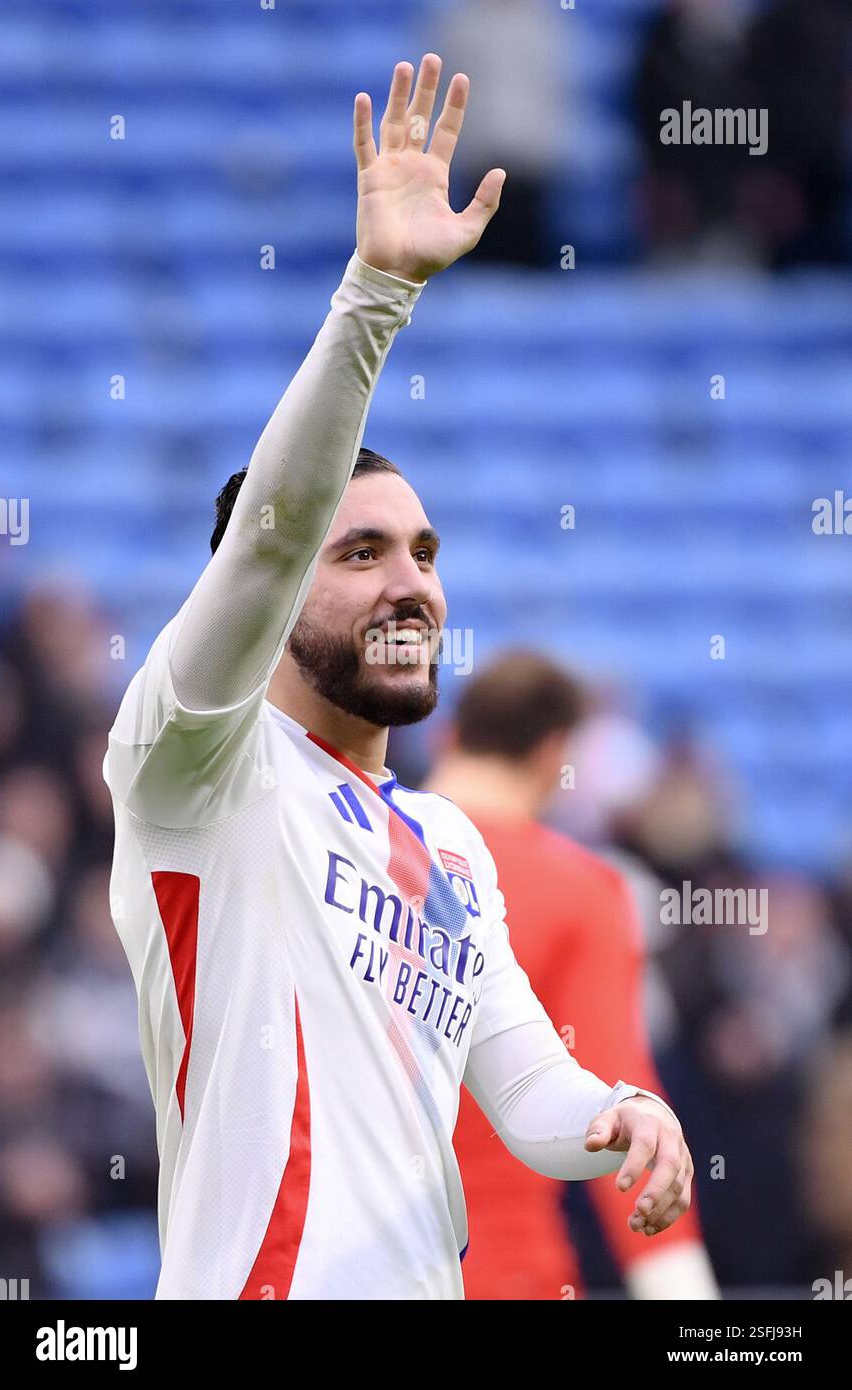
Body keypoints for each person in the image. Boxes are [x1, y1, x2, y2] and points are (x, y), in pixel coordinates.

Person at [103, 55, 692, 1300]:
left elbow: (526, 1087)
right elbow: (267, 537)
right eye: (359, 552)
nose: (409, 583)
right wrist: (375, 294)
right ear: (261, 604)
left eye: (423, 553)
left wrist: (621, 1109)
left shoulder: (449, 847)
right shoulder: (193, 769)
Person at [423, 649, 719, 1299]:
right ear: (554, 756)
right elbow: (626, 1109)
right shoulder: (585, 891)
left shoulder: (356, 849)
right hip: (505, 1272)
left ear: (449, 736)